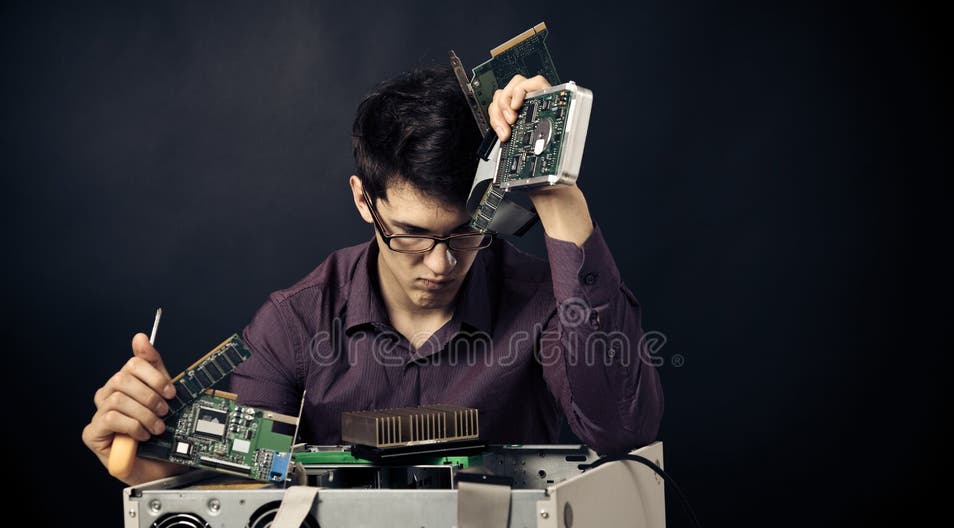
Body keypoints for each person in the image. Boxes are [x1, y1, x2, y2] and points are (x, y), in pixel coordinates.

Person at [82, 65, 663, 485]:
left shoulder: (540, 301)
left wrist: (557, 193)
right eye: (411, 235)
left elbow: (621, 430)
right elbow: (249, 476)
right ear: (365, 201)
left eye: (465, 234)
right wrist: (148, 462)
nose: (440, 264)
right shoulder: (295, 322)